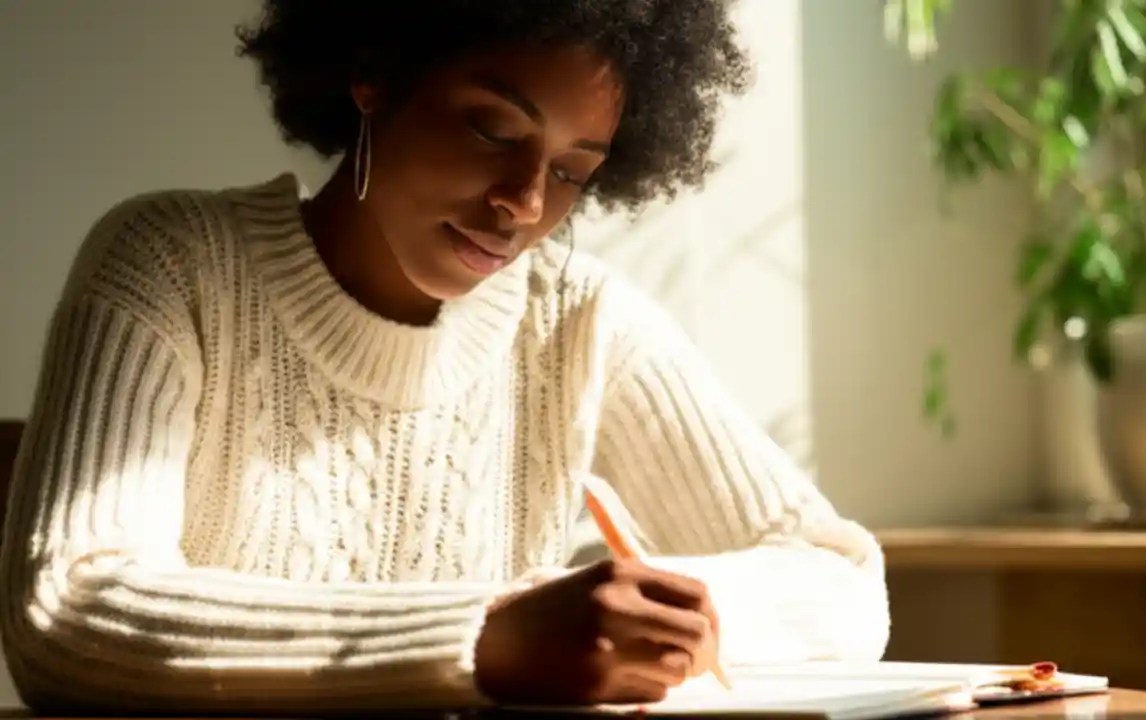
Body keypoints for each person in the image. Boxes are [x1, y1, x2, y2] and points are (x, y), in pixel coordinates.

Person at [0, 0, 890, 714]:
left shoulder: (579, 322)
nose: (525, 203)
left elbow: (843, 582)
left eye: (573, 171)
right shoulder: (172, 263)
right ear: (374, 73)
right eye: (494, 131)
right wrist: (489, 636)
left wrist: (640, 616)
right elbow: (67, 609)